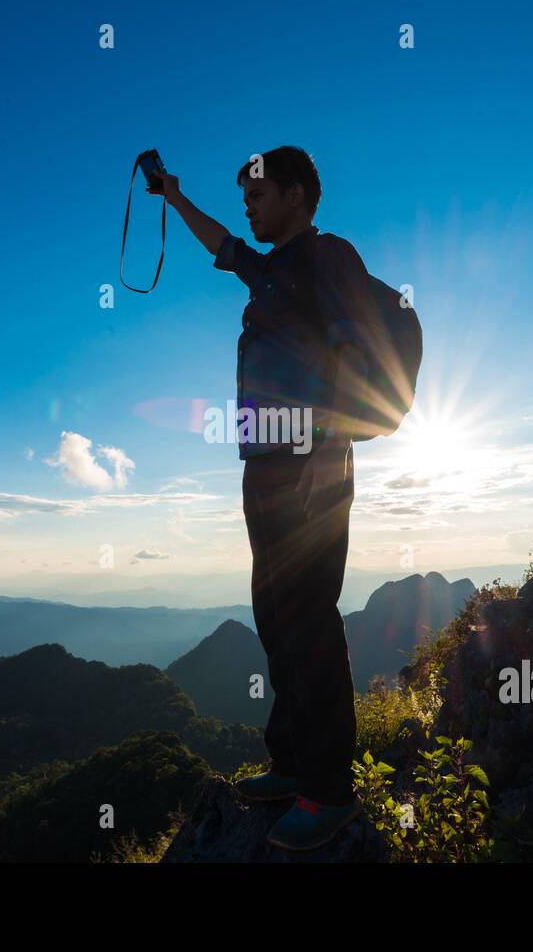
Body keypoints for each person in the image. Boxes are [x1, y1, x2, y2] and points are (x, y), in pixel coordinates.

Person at [149, 146, 373, 850]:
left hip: (312, 464)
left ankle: (330, 791)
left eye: (258, 191)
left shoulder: (327, 258)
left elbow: (356, 356)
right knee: (276, 617)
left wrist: (326, 452)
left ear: (298, 194)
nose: (248, 202)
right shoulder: (272, 270)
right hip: (265, 466)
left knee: (308, 618)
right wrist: (173, 196)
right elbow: (223, 245)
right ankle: (293, 763)